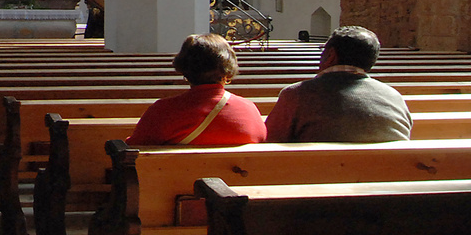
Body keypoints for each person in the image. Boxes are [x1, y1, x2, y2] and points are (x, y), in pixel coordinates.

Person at [264, 26, 413, 142]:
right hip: (387, 179)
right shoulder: (394, 97)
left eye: (323, 51)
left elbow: (270, 141)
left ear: (331, 55)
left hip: (317, 178)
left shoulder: (296, 95)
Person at [126, 34, 266, 146]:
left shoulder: (163, 111)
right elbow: (262, 141)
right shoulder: (248, 109)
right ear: (227, 69)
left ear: (184, 69)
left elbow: (134, 148)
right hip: (237, 181)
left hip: (177, 180)